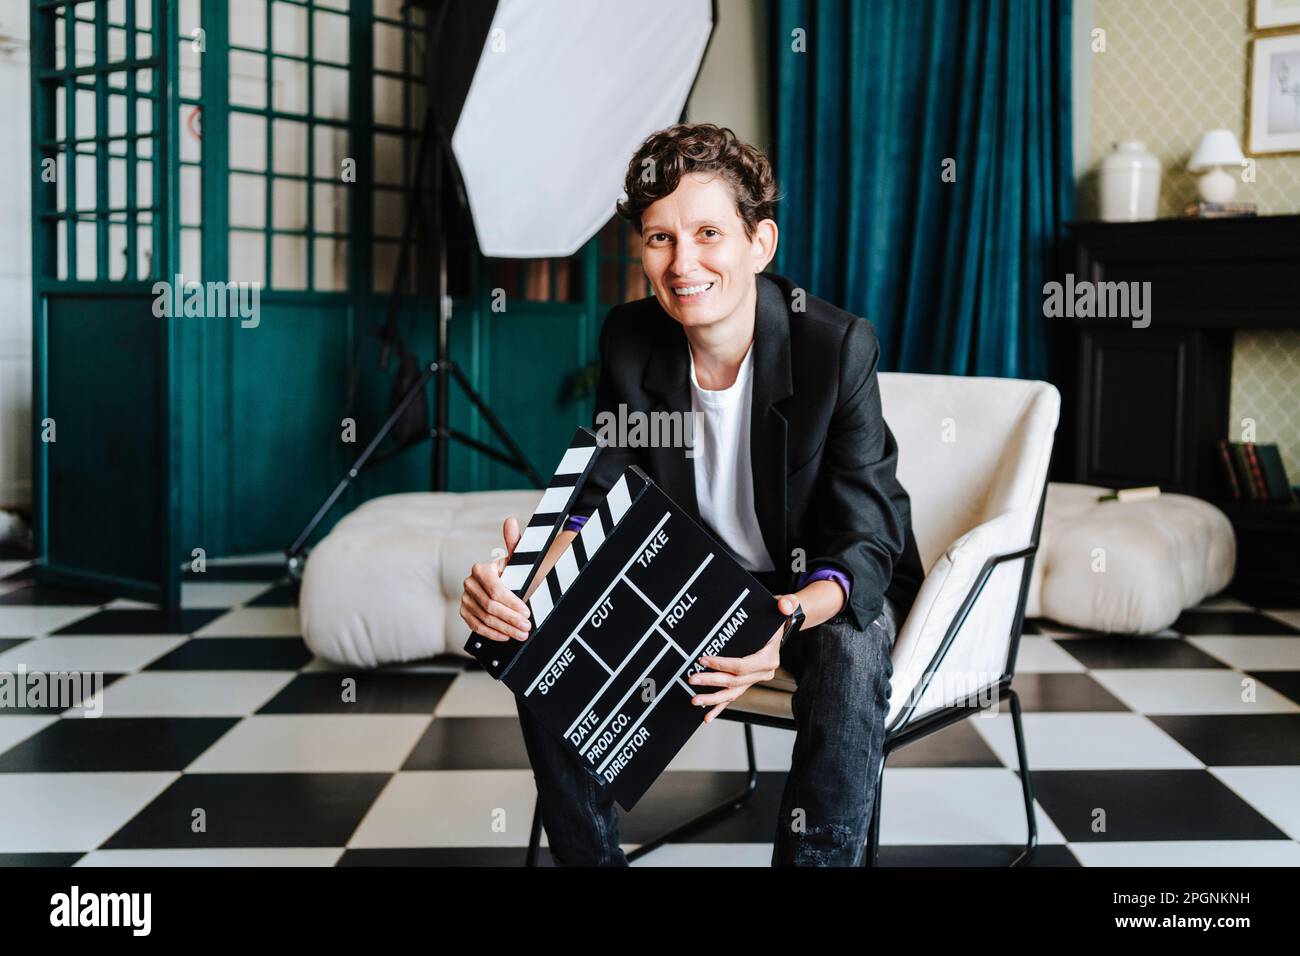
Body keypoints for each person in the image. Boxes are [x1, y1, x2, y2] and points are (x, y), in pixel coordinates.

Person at [460, 122, 924, 866]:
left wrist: (784, 617)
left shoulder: (834, 346)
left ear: (759, 244)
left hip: (816, 586)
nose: (684, 263)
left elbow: (866, 538)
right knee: (536, 632)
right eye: (659, 239)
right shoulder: (631, 339)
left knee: (850, 654)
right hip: (694, 575)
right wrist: (528, 581)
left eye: (709, 232)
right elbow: (600, 492)